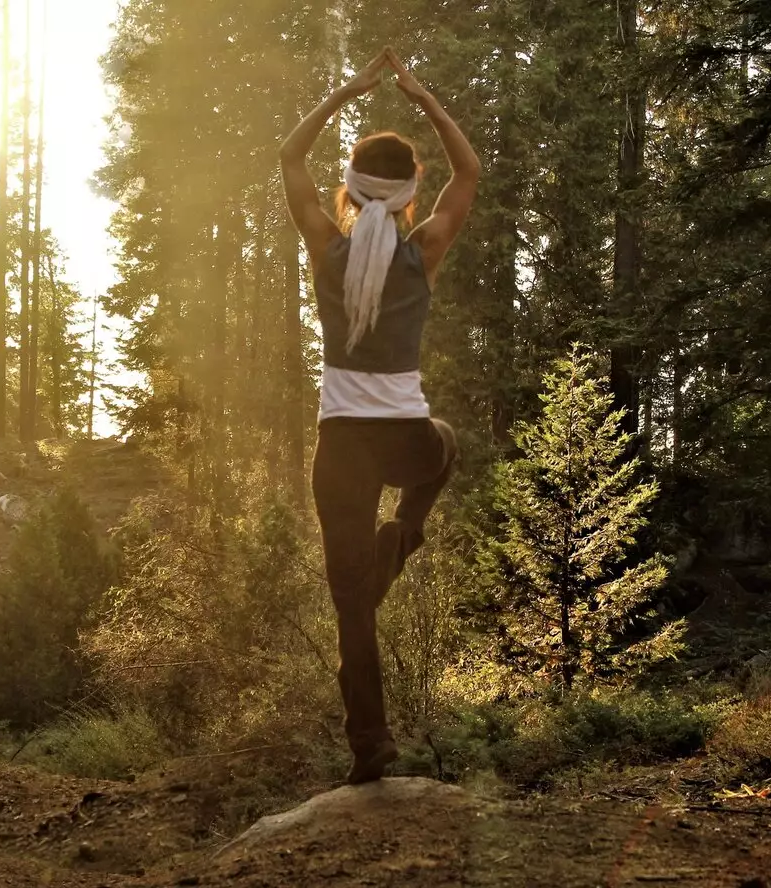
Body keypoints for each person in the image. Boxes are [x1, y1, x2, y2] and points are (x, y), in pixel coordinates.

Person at [279, 47, 480, 784]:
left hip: (340, 451)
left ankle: (371, 748)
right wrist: (419, 94)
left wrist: (345, 91)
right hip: (405, 444)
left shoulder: (326, 249)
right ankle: (406, 536)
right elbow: (467, 175)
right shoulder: (421, 250)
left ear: (351, 190)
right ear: (408, 193)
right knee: (447, 443)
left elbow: (288, 155)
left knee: (351, 613)